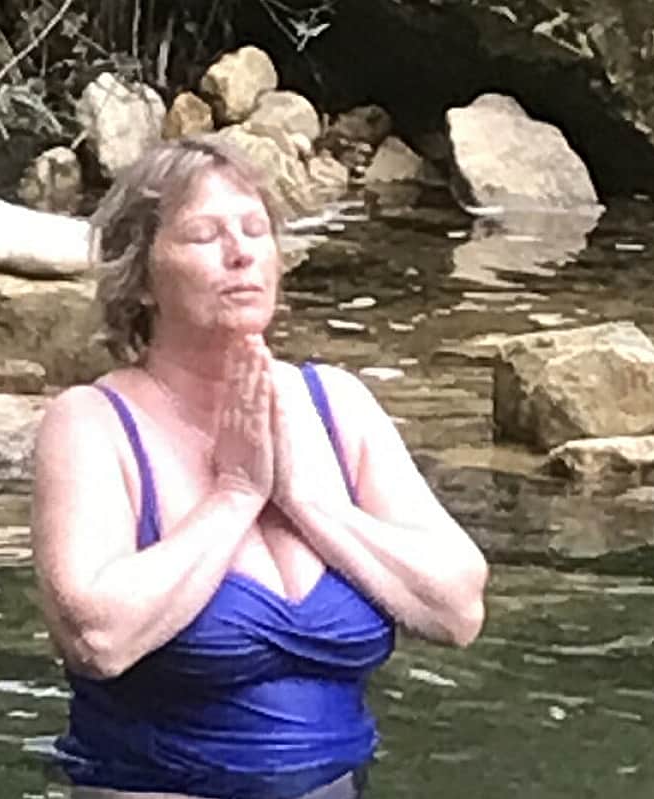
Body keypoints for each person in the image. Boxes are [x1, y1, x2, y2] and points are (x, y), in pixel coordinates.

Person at [29, 137, 488, 799]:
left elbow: (460, 608)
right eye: (204, 235)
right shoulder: (92, 423)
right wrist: (237, 494)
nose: (241, 252)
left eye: (254, 229)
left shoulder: (337, 406)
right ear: (142, 278)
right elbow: (97, 636)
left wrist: (310, 502)